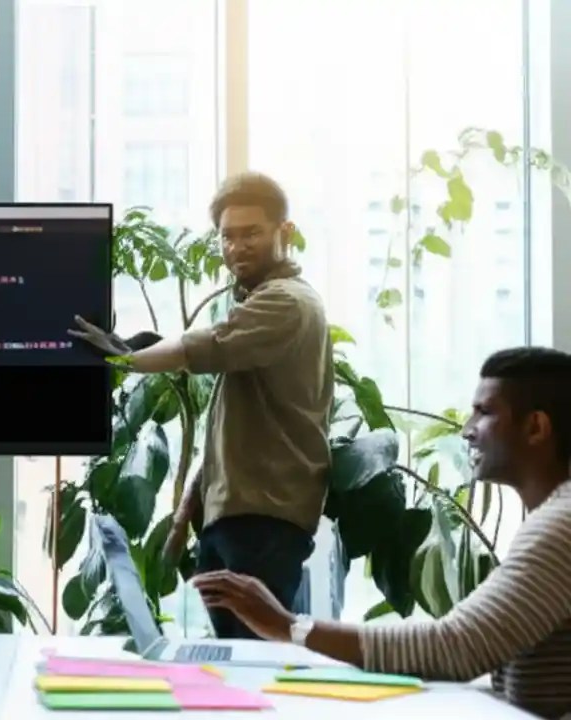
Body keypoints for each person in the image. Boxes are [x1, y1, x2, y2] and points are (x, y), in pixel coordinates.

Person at [192, 347, 571, 720]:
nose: (467, 431)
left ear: (536, 427)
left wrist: (289, 626)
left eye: (484, 413)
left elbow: (457, 648)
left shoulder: (561, 525)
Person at [70, 172, 333, 639]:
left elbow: (205, 346)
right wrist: (189, 509)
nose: (237, 247)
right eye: (227, 237)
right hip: (241, 518)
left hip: (264, 521)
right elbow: (233, 424)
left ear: (285, 233)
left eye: (252, 233)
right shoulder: (260, 302)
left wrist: (124, 359)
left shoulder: (286, 302)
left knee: (257, 663)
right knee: (236, 660)